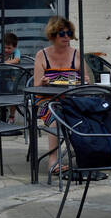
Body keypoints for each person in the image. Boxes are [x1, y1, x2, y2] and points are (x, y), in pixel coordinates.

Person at [33, 16, 85, 171]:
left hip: (71, 99)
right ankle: (53, 160)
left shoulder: (76, 54)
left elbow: (85, 79)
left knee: (91, 115)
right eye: (62, 34)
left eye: (69, 33)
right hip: (46, 100)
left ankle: (87, 153)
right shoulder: (42, 55)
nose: (67, 37)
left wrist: (84, 80)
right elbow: (36, 86)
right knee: (56, 115)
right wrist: (42, 82)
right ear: (53, 35)